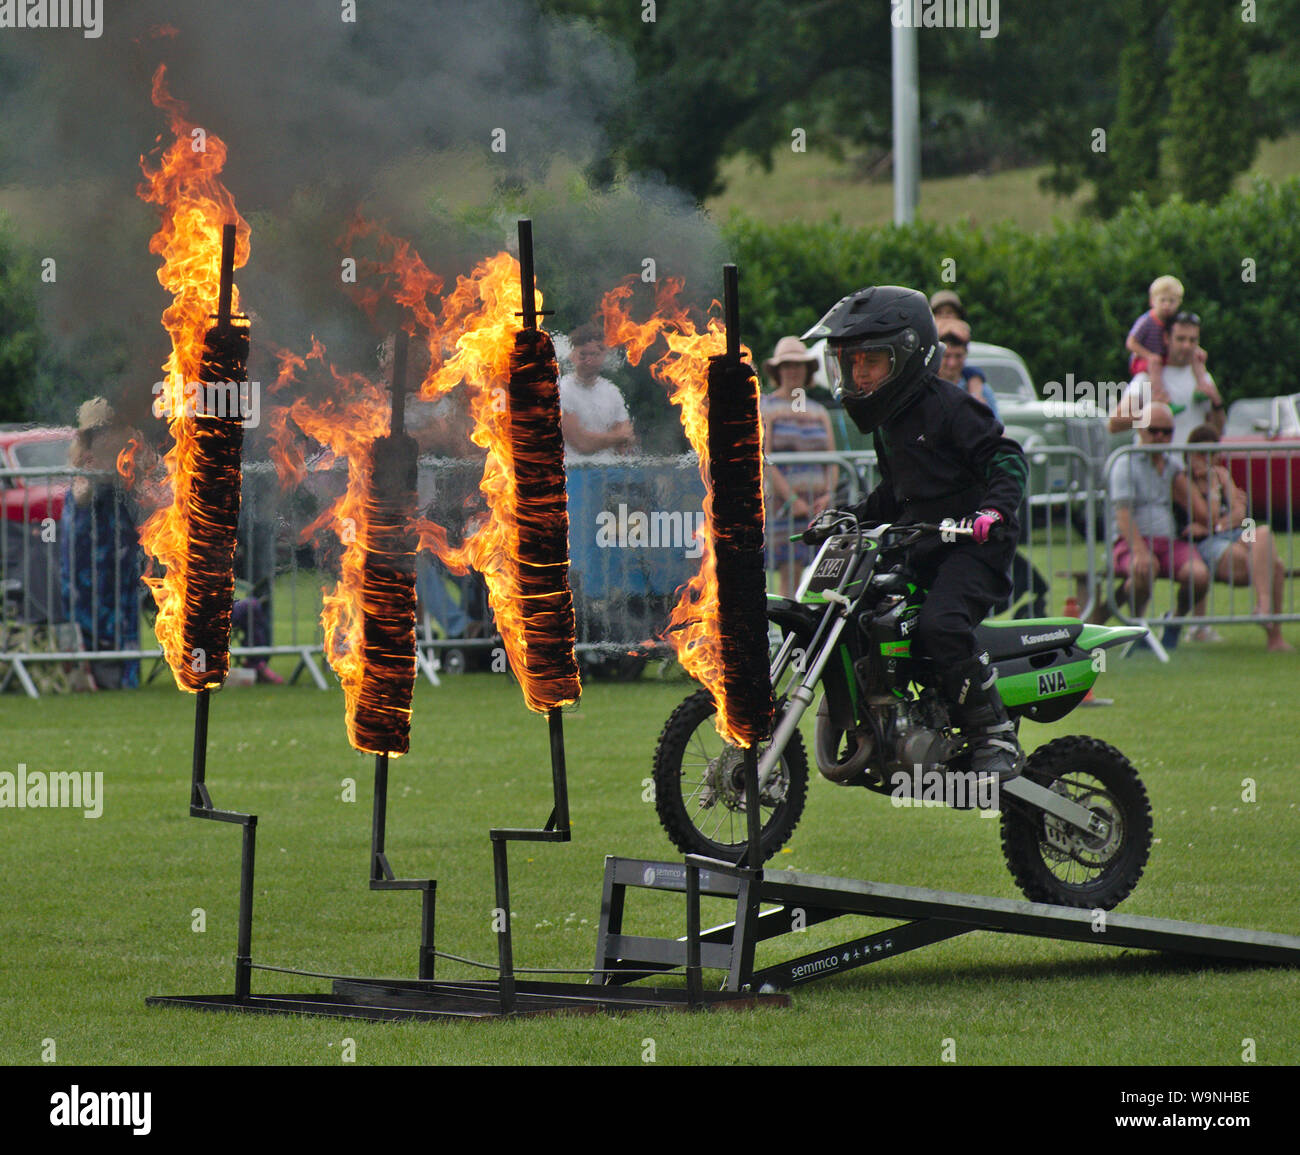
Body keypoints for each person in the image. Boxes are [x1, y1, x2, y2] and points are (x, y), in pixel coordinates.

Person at [803, 285, 1029, 780]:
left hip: (973, 548)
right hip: (921, 543)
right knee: (870, 616)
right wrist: (848, 516)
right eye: (849, 363)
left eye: (869, 362)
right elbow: (899, 493)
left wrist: (992, 512)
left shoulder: (951, 407)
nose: (857, 374)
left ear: (906, 356)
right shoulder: (890, 421)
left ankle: (994, 734)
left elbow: (1007, 458)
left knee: (940, 624)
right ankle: (895, 724)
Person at [1089, 403, 1209, 648]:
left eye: (1167, 432)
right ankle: (1138, 630)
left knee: (1199, 576)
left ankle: (1173, 622)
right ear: (1140, 430)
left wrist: (1210, 481)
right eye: (1154, 430)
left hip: (1169, 542)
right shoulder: (1125, 462)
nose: (1161, 437)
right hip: (1130, 541)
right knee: (1145, 568)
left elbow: (1201, 512)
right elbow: (1123, 514)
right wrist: (1140, 551)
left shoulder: (1173, 466)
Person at [1174, 425, 1292, 651]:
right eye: (1202, 454)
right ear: (1189, 454)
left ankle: (1264, 607)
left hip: (1231, 533)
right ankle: (1273, 636)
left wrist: (1216, 525)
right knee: (1274, 566)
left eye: (1213, 453)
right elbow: (1207, 515)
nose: (1208, 459)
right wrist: (1213, 493)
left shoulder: (1222, 474)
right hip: (1206, 545)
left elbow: (1240, 512)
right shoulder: (1183, 480)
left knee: (1264, 533)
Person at [60, 398, 143, 689]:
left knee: (124, 612)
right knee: (91, 616)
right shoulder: (85, 461)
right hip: (89, 560)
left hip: (120, 558)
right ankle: (94, 675)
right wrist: (98, 477)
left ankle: (126, 677)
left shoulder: (128, 456)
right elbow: (80, 499)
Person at [760, 336, 836, 596]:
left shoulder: (819, 411)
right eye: (787, 365)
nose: (793, 371)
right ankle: (786, 635)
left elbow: (832, 460)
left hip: (818, 508)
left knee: (822, 579)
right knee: (789, 577)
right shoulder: (766, 408)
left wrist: (828, 495)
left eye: (798, 365)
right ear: (778, 371)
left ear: (807, 370)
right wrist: (793, 500)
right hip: (783, 509)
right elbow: (766, 459)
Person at [1110, 311, 1223, 443]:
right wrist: (1151, 413)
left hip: (1191, 462)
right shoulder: (1148, 376)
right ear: (1166, 338)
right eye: (1180, 339)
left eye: (1193, 340)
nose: (1187, 345)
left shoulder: (1203, 378)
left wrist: (1217, 403)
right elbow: (1114, 424)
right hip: (1156, 462)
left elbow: (1218, 431)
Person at [558, 323, 637, 459]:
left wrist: (618, 438)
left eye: (594, 354)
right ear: (573, 355)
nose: (588, 360)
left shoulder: (612, 392)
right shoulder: (562, 390)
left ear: (603, 355)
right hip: (574, 473)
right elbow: (581, 443)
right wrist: (617, 437)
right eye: (583, 355)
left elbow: (627, 439)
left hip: (610, 474)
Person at [1124, 275, 1185, 404]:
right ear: (1152, 301)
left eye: (1171, 301)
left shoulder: (1175, 321)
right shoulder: (1147, 321)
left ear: (1179, 303)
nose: (1167, 305)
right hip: (1143, 359)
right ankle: (1160, 396)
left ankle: (1201, 387)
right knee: (1155, 364)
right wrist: (1149, 355)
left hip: (1161, 357)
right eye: (1162, 300)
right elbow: (1131, 342)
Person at [935, 315, 999, 419]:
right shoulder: (926, 389)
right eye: (947, 356)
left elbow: (998, 430)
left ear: (966, 354)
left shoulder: (983, 391)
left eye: (958, 356)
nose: (952, 363)